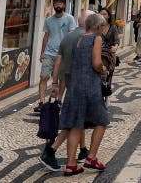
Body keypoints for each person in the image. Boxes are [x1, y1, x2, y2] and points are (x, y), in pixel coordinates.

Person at [52, 13, 110, 176]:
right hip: (89, 86)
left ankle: (71, 164)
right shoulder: (96, 39)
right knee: (102, 120)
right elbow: (96, 63)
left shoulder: (78, 39)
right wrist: (103, 70)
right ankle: (91, 157)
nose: (104, 28)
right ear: (99, 27)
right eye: (103, 25)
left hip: (74, 86)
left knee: (76, 124)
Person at [40, 10, 90, 171]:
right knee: (74, 121)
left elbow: (58, 61)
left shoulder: (68, 37)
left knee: (77, 121)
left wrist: (55, 84)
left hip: (69, 83)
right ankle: (52, 152)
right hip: (80, 85)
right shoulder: (87, 38)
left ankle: (79, 153)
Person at [38, 0, 77, 112]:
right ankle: (41, 102)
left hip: (63, 54)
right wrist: (42, 52)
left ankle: (58, 100)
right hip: (49, 53)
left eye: (60, 3)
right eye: (56, 4)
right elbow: (46, 36)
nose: (58, 5)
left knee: (62, 78)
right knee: (44, 77)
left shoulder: (69, 19)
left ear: (64, 5)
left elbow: (72, 36)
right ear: (53, 5)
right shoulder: (49, 20)